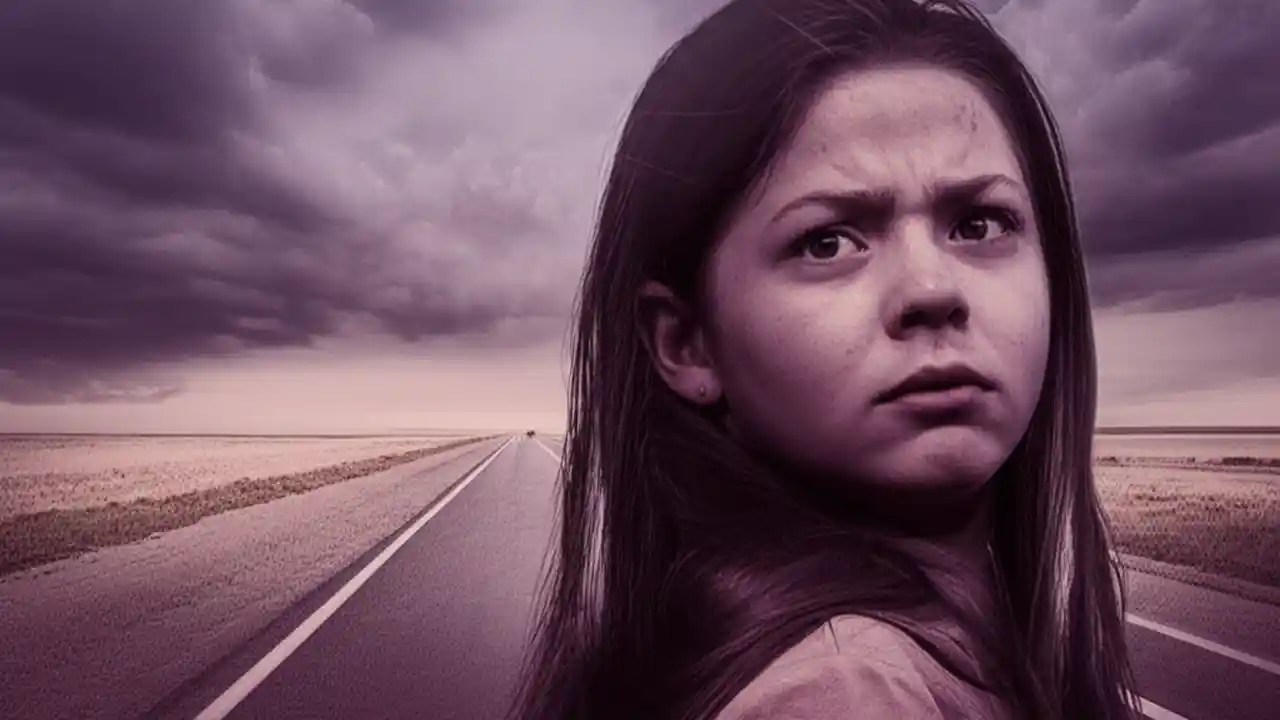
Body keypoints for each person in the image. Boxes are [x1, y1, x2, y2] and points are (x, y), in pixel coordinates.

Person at [505, 1, 1143, 718]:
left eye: (978, 224)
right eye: (828, 241)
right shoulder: (847, 692)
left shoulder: (947, 644)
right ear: (686, 341)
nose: (932, 290)